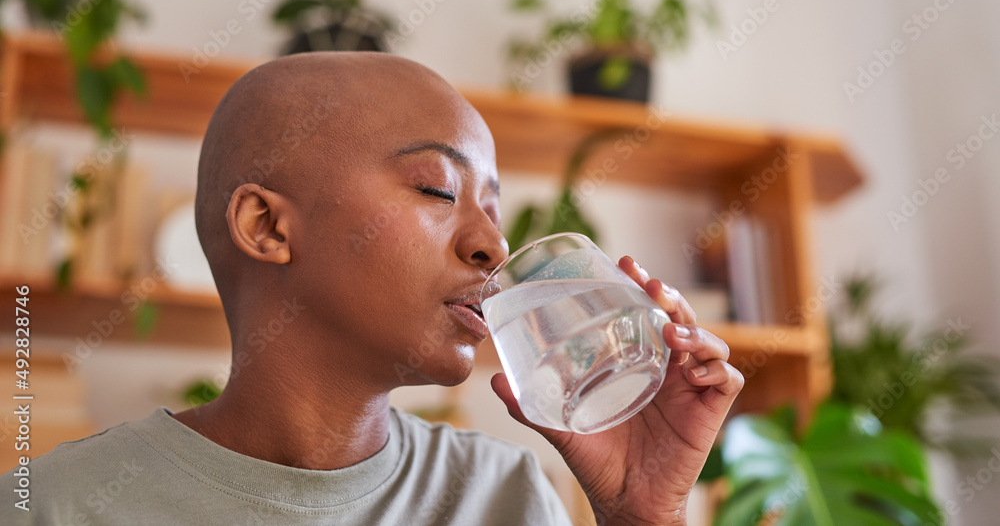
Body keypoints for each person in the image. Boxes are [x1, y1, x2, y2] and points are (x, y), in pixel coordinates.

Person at [0, 52, 742, 524]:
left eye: (493, 205)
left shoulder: (500, 496)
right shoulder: (53, 506)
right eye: (436, 187)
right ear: (266, 226)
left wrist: (646, 513)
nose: (493, 244)